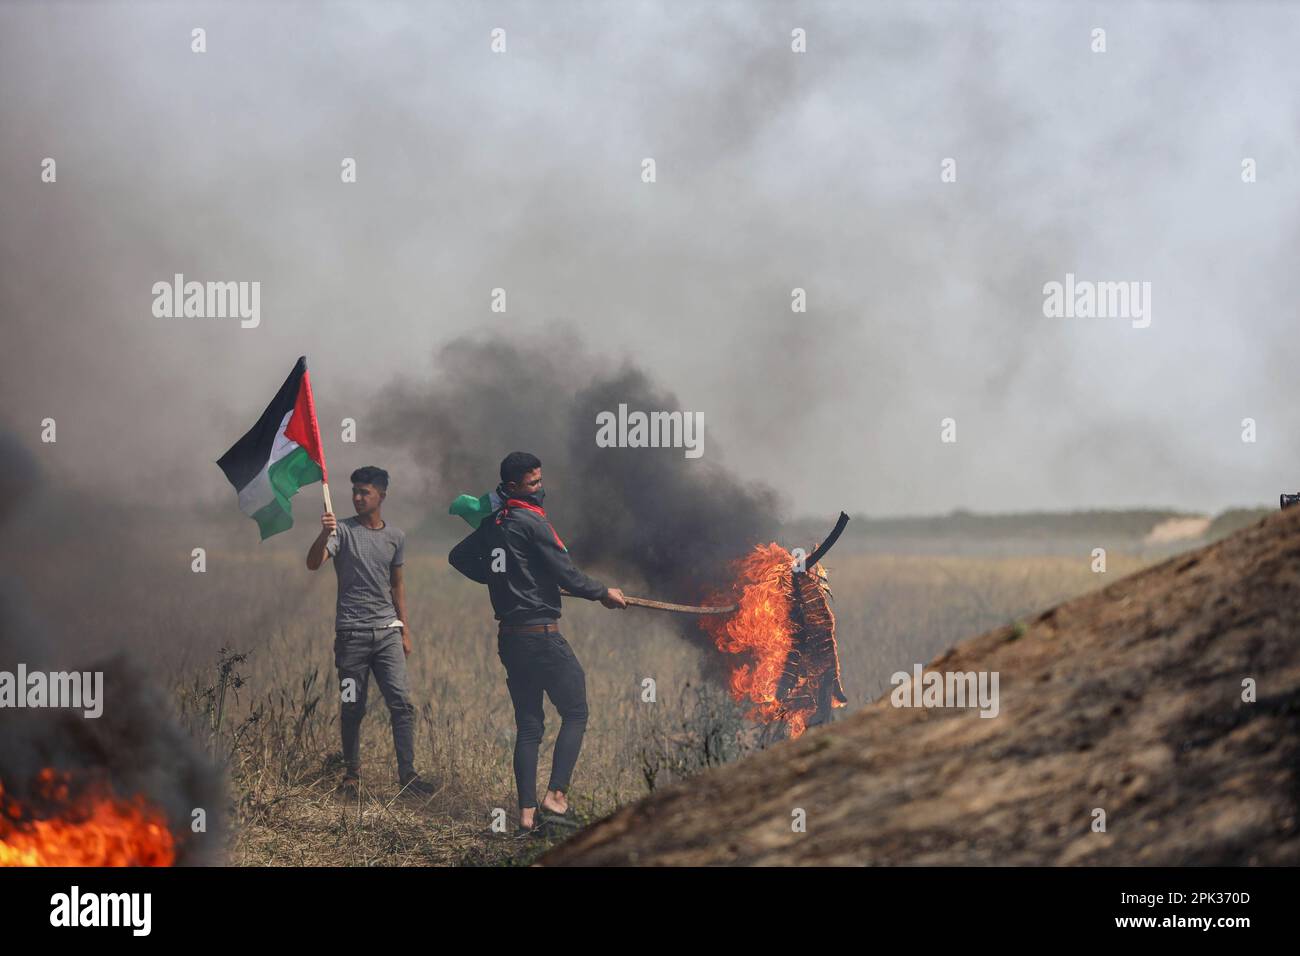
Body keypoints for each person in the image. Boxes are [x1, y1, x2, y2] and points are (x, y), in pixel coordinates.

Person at [449, 452, 626, 832]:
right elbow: (568, 574)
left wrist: (505, 577)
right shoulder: (531, 522)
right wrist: (603, 592)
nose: (539, 489)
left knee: (529, 726)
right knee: (576, 712)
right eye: (532, 484)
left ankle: (527, 817)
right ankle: (556, 796)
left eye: (540, 481)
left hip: (511, 639)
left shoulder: (494, 523)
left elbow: (459, 557)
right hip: (541, 637)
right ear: (511, 487)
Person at [306, 465, 433, 796]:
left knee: (401, 702)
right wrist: (324, 533)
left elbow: (397, 584)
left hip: (388, 632)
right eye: (355, 491)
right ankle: (351, 774)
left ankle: (408, 774)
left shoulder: (396, 537)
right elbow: (312, 562)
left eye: (365, 492)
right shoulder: (342, 532)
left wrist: (404, 629)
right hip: (351, 636)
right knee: (352, 704)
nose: (358, 497)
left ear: (382, 495)